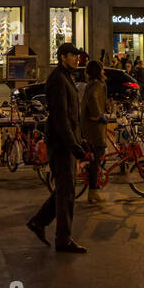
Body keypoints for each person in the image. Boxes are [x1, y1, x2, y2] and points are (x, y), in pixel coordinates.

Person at [27, 43, 87, 254]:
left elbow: (72, 115)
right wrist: (74, 146)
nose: (77, 59)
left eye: (77, 56)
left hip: (66, 141)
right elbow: (61, 118)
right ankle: (63, 239)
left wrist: (80, 141)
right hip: (61, 144)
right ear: (63, 57)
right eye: (73, 56)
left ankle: (39, 222)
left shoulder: (67, 77)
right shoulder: (57, 79)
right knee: (67, 191)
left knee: (65, 190)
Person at [80, 60, 108, 205]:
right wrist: (98, 115)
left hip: (88, 127)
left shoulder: (90, 84)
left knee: (96, 157)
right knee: (95, 158)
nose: (104, 72)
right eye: (102, 69)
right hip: (94, 128)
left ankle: (94, 186)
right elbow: (93, 99)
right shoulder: (97, 84)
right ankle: (93, 191)